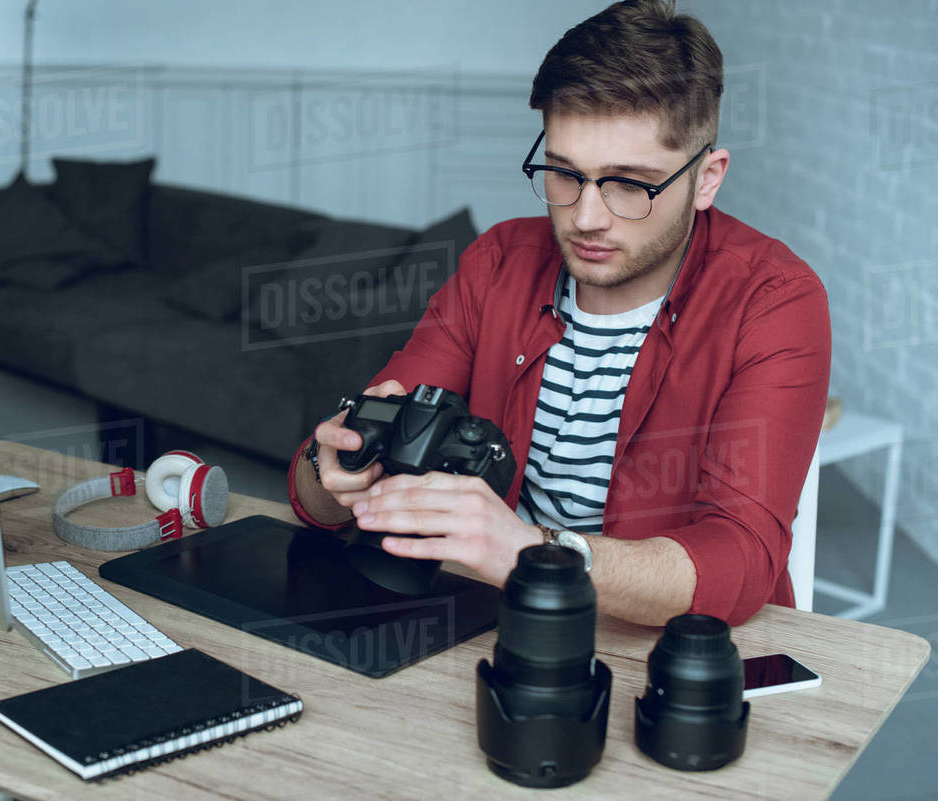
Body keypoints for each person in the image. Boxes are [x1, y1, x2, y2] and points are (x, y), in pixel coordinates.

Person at [287, 0, 830, 627]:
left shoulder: (775, 300)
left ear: (706, 178)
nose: (586, 217)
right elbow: (319, 483)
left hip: (666, 646)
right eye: (564, 173)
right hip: (493, 620)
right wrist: (333, 469)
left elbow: (740, 560)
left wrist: (530, 553)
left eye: (631, 184)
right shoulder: (498, 262)